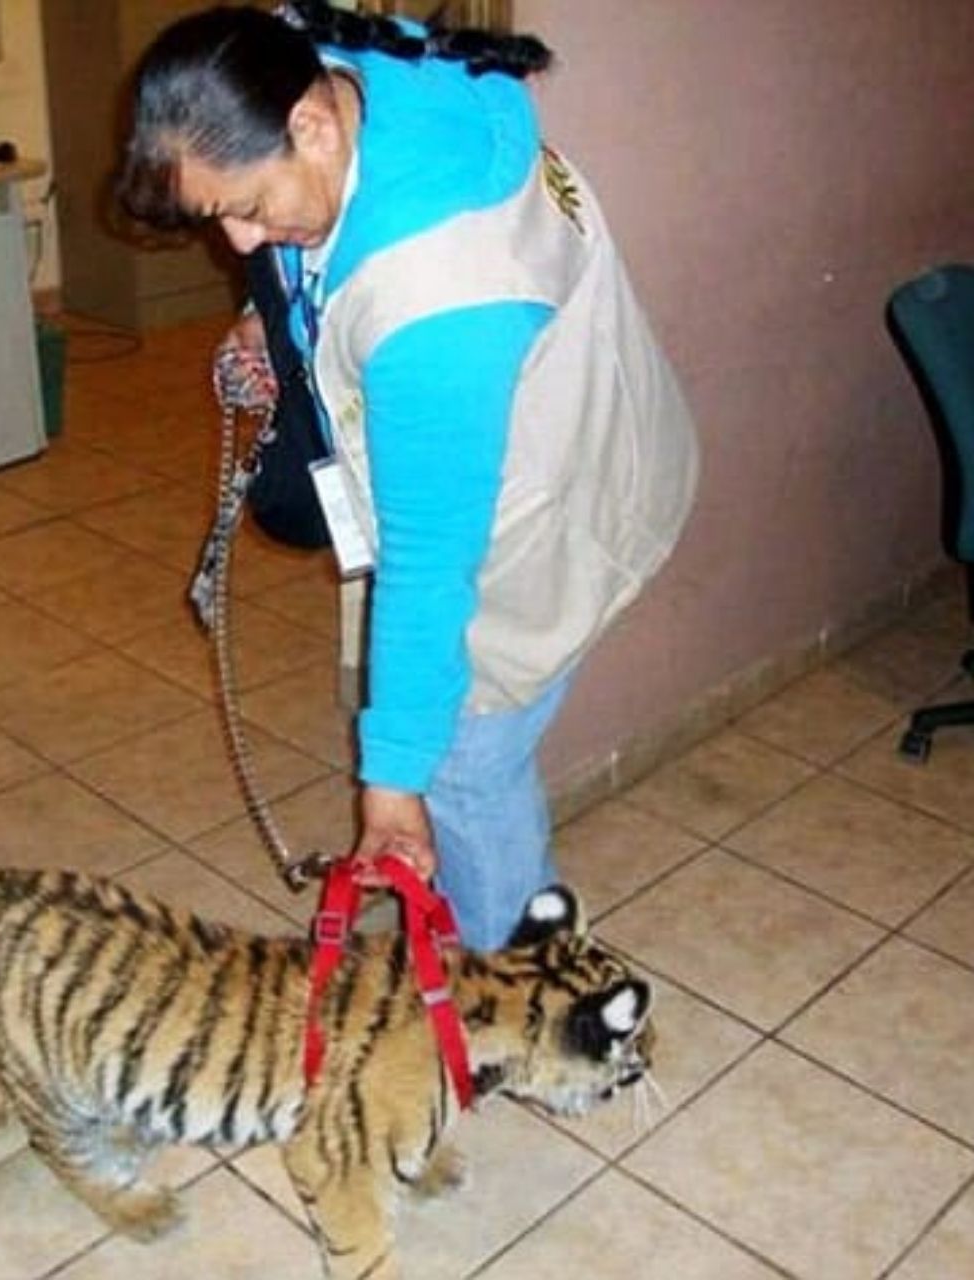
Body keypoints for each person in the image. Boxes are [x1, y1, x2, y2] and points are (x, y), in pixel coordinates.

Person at [121, 1, 699, 950]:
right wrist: (281, 319)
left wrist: (389, 786)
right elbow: (332, 252)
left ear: (310, 126)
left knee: (463, 763)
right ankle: (514, 945)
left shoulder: (438, 299)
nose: (238, 243)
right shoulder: (337, 70)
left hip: (555, 504)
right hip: (543, 428)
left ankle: (523, 996)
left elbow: (432, 573)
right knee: (440, 726)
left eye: (247, 206)